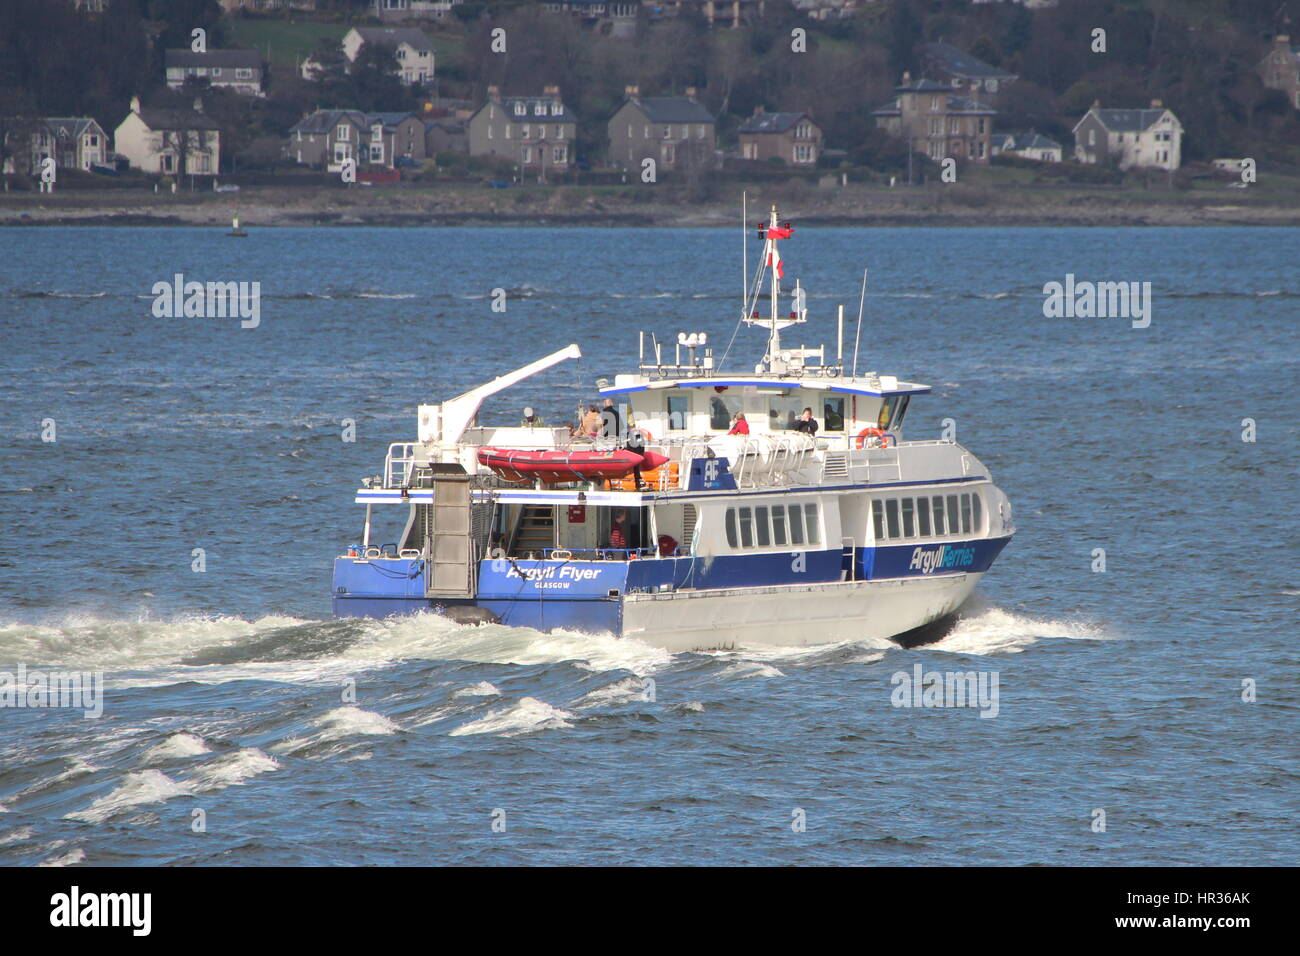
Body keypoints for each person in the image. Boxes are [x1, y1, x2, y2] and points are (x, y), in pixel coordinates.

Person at [625, 425, 647, 489]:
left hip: (634, 455)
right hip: (636, 455)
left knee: (637, 470)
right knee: (637, 470)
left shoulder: (630, 434)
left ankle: (638, 483)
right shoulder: (637, 434)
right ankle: (638, 482)